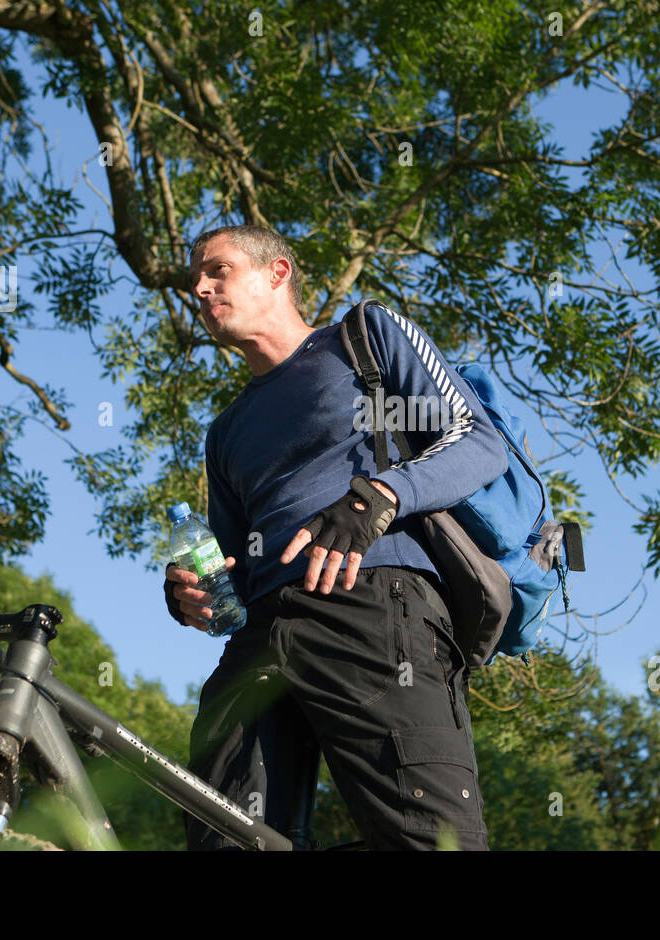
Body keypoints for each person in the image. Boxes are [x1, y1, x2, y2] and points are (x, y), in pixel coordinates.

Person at [164, 224, 508, 850]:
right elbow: (235, 574)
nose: (201, 289)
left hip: (374, 605)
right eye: (194, 281)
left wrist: (380, 496)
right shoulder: (226, 431)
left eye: (217, 270)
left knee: (428, 837)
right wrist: (197, 597)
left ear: (278, 272)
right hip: (258, 643)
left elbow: (480, 443)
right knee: (225, 840)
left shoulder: (364, 339)